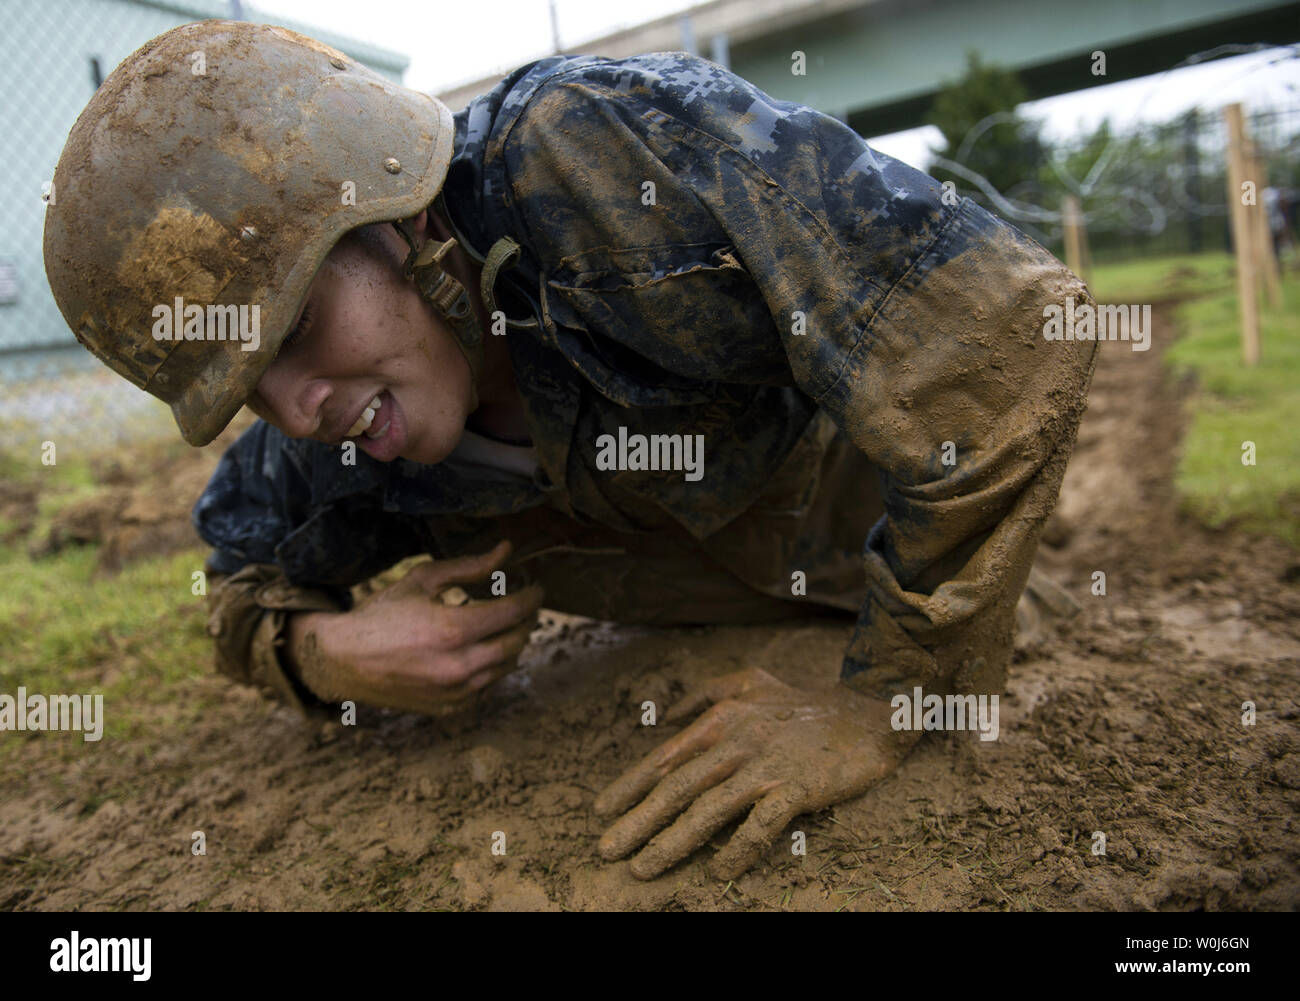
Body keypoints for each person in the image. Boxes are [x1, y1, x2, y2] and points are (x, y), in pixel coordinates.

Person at [43, 20, 1097, 882]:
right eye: (246, 394)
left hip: (907, 583)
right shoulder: (336, 445)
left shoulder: (591, 161)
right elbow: (237, 583)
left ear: (398, 226)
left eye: (293, 333)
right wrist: (323, 652)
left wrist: (878, 701)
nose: (301, 408)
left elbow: (1012, 336)